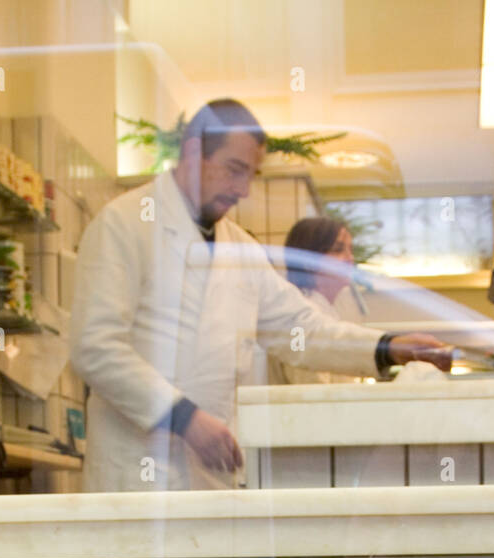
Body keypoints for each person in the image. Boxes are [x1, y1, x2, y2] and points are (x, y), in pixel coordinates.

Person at [69, 98, 453, 492]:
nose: (243, 190)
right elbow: (95, 347)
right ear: (193, 152)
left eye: (250, 175)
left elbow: (301, 328)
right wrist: (185, 419)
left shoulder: (241, 249)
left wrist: (388, 347)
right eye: (234, 170)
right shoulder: (124, 223)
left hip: (209, 478)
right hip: (136, 474)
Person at [270, 216, 359, 385]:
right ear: (308, 261)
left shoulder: (330, 311)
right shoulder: (296, 318)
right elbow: (305, 384)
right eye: (338, 250)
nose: (350, 258)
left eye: (350, 249)